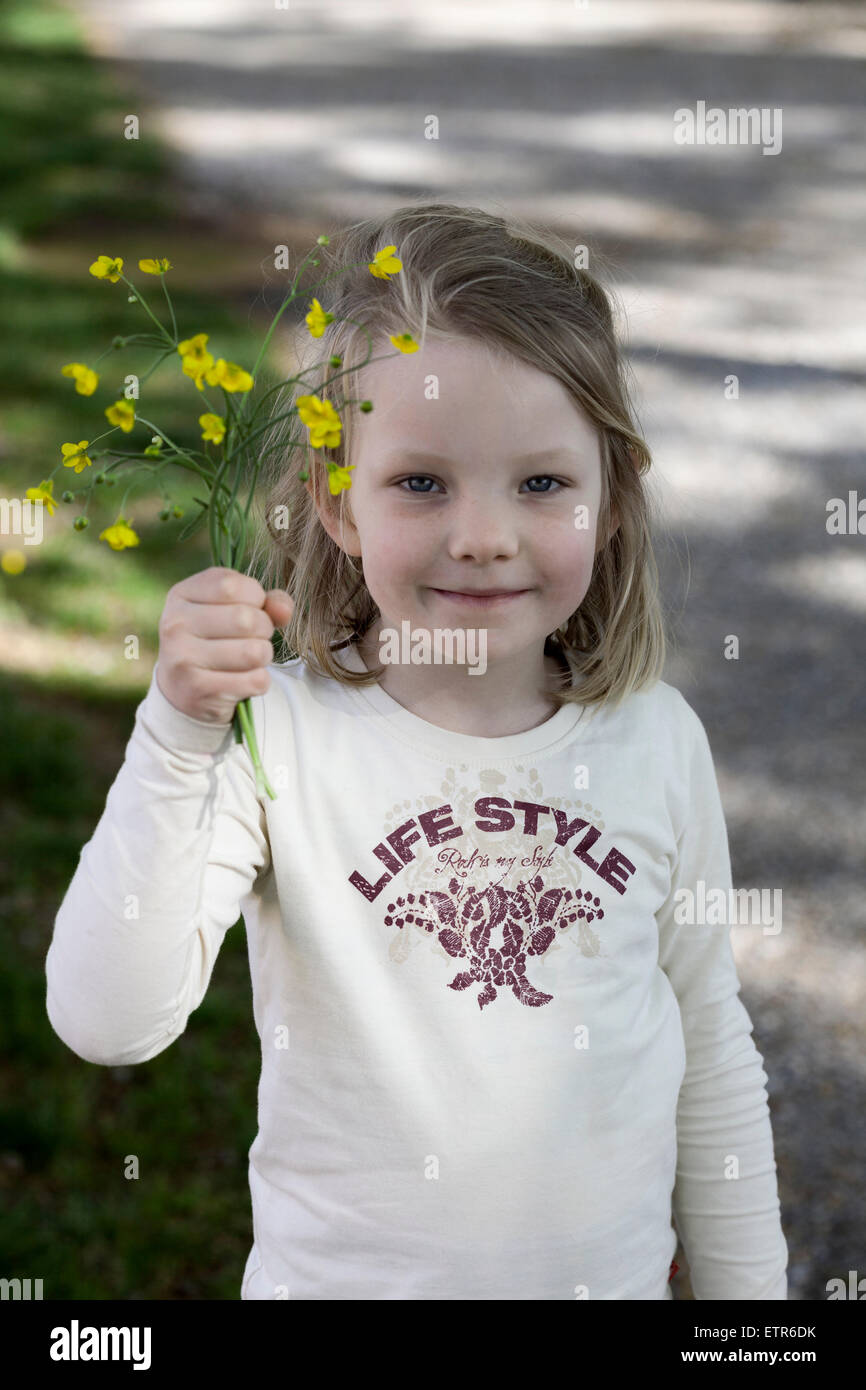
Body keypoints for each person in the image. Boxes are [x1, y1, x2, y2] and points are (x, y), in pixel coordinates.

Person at [45, 201, 788, 1300]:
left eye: (540, 483)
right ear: (335, 504)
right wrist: (178, 728)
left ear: (611, 501)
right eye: (421, 481)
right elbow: (107, 1020)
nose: (482, 534)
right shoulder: (277, 738)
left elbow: (707, 1046)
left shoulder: (653, 739)